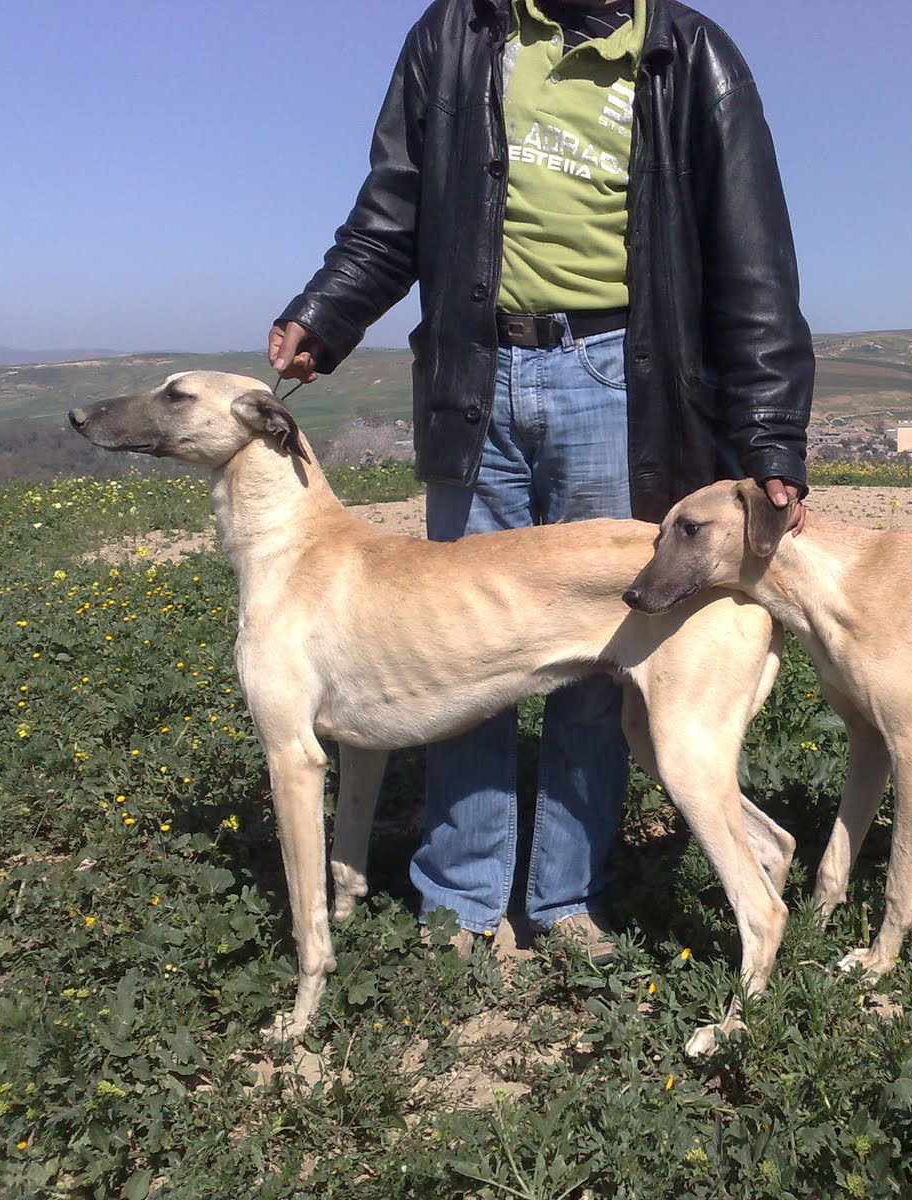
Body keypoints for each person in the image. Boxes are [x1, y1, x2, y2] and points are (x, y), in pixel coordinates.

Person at [268, 0, 812, 960]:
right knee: (449, 641)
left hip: (622, 378)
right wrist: (329, 310)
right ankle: (462, 904)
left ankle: (567, 901)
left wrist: (767, 432)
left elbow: (753, 257)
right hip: (474, 372)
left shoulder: (689, 54)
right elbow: (393, 206)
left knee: (606, 655)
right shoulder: (458, 33)